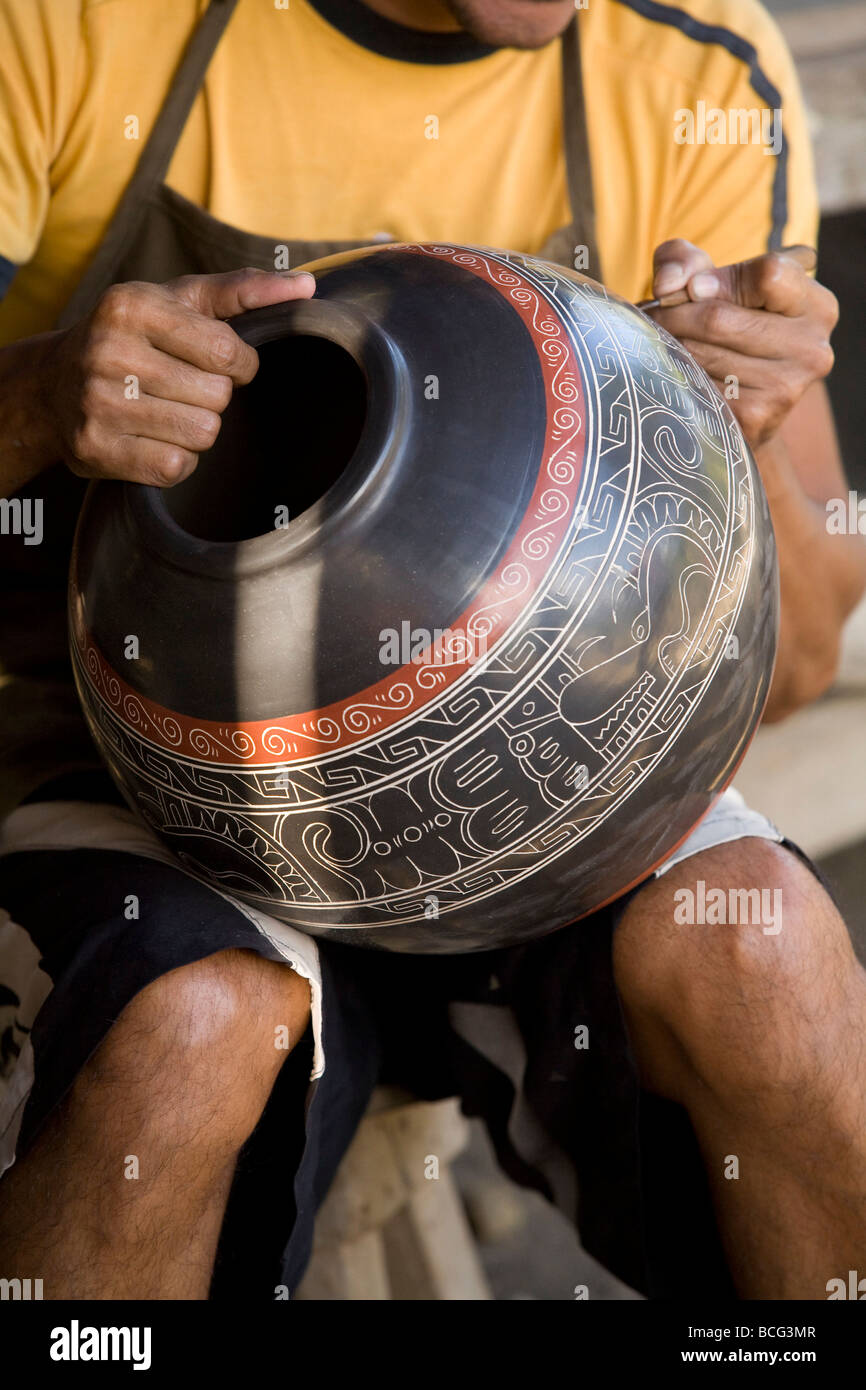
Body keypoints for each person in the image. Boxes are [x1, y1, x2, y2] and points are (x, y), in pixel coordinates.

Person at [0, 0, 864, 1302]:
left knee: (766, 957)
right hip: (129, 770)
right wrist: (40, 392)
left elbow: (796, 663)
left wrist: (730, 424)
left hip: (559, 776)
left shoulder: (688, 58)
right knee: (183, 1024)